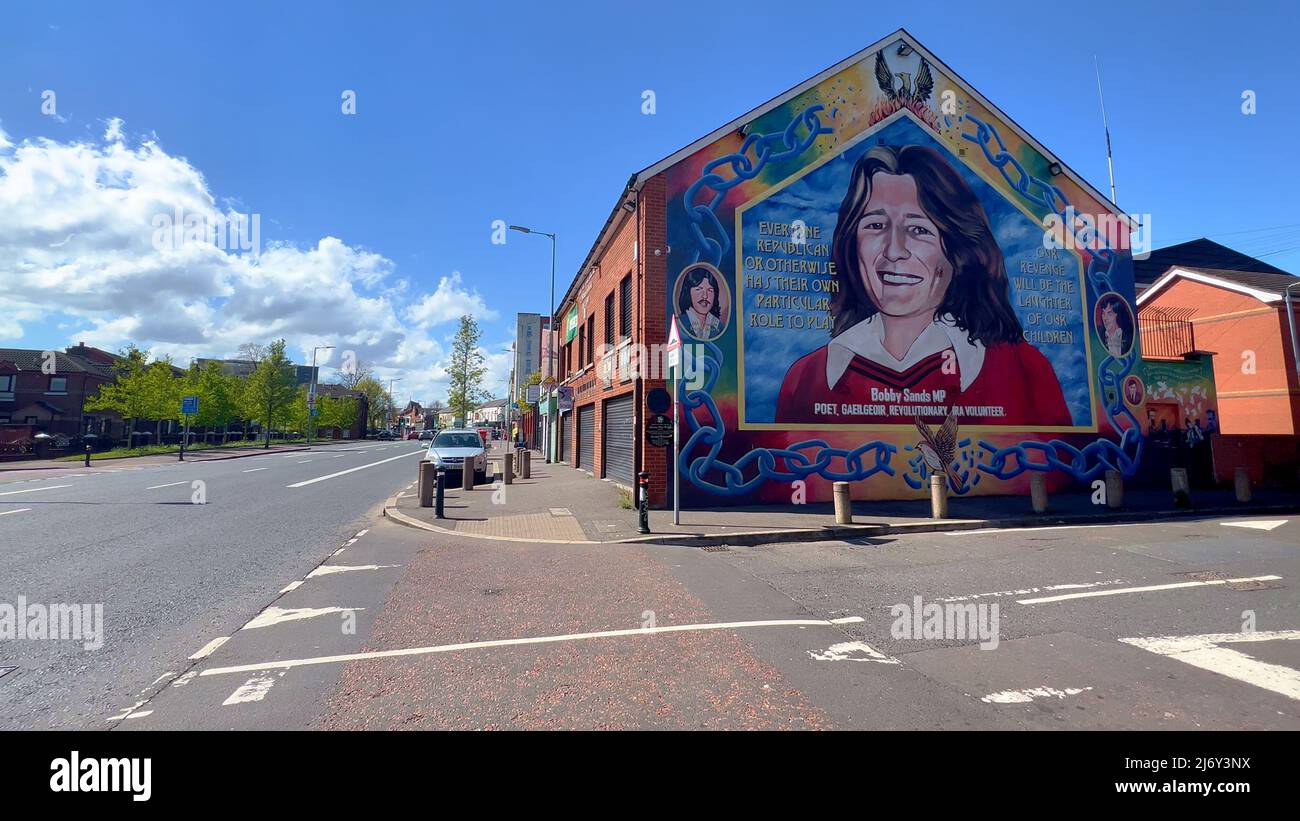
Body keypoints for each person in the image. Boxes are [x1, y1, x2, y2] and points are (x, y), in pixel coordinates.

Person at [776, 144, 1071, 426]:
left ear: (957, 250)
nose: (894, 251)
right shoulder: (807, 379)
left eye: (919, 230)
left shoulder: (1023, 370)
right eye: (875, 226)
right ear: (852, 243)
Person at [677, 264, 724, 339]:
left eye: (710, 290)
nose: (705, 296)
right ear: (688, 292)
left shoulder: (720, 327)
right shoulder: (679, 324)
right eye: (698, 289)